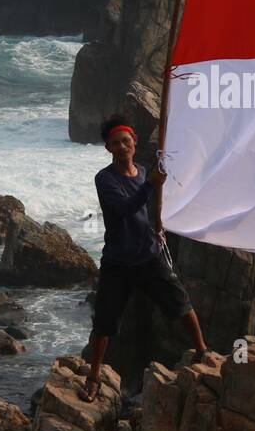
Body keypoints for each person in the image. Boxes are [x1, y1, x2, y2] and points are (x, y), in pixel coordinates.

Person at [79, 114, 208, 402]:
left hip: (148, 256)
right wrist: (150, 185)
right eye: (115, 143)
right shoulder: (105, 179)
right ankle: (94, 376)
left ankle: (202, 350)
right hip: (118, 263)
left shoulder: (142, 170)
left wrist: (157, 221)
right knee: (105, 322)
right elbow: (125, 208)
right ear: (108, 149)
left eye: (126, 141)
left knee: (180, 301)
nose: (122, 146)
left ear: (134, 141)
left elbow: (146, 206)